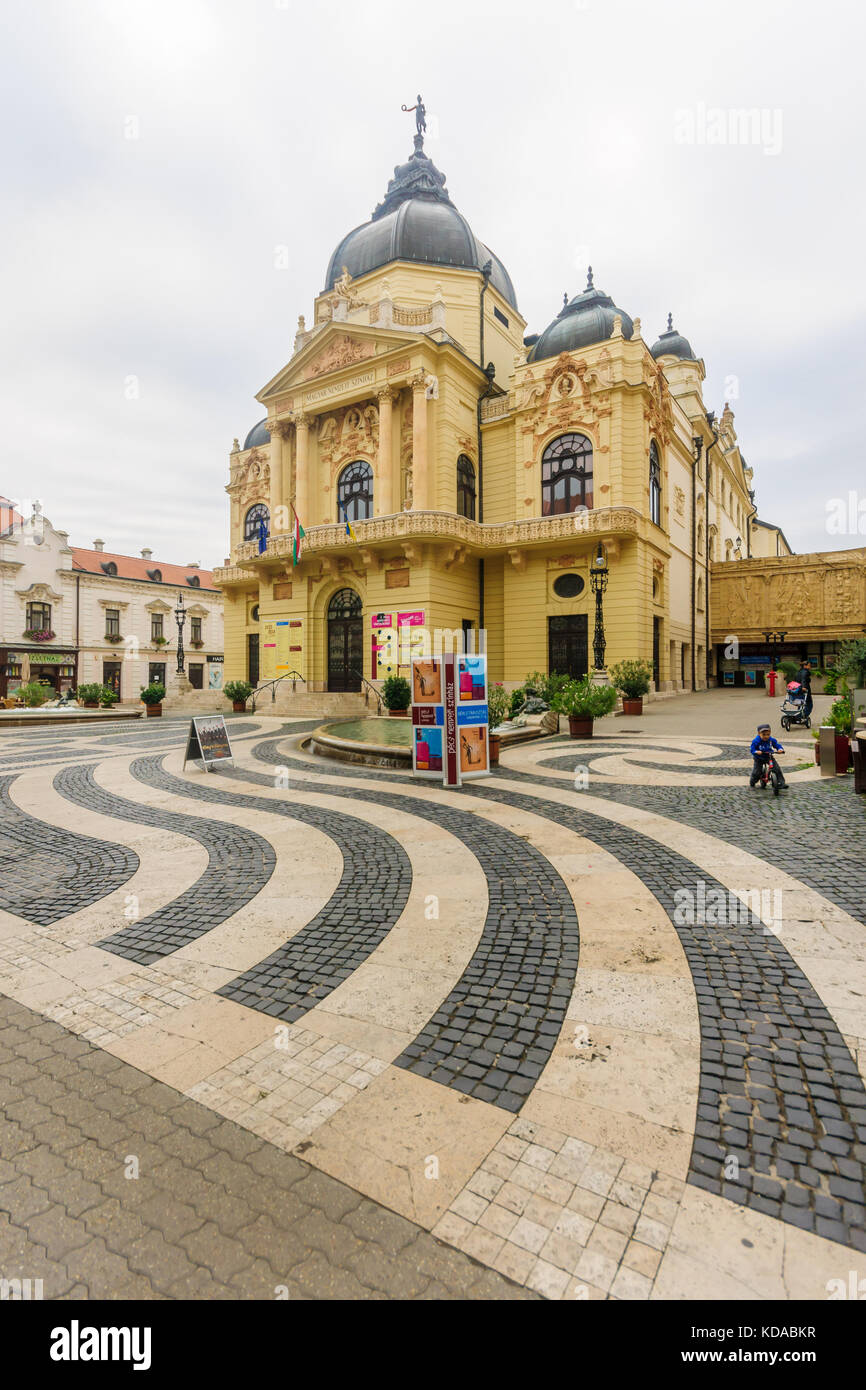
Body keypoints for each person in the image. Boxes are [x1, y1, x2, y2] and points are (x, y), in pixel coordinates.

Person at [750, 723, 787, 788]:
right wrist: (756, 751)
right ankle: (753, 780)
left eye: (768, 734)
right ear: (759, 733)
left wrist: (780, 749)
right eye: (763, 735)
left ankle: (781, 783)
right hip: (759, 757)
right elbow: (752, 749)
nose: (766, 736)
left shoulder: (771, 740)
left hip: (768, 756)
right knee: (757, 772)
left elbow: (777, 745)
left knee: (776, 768)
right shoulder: (756, 741)